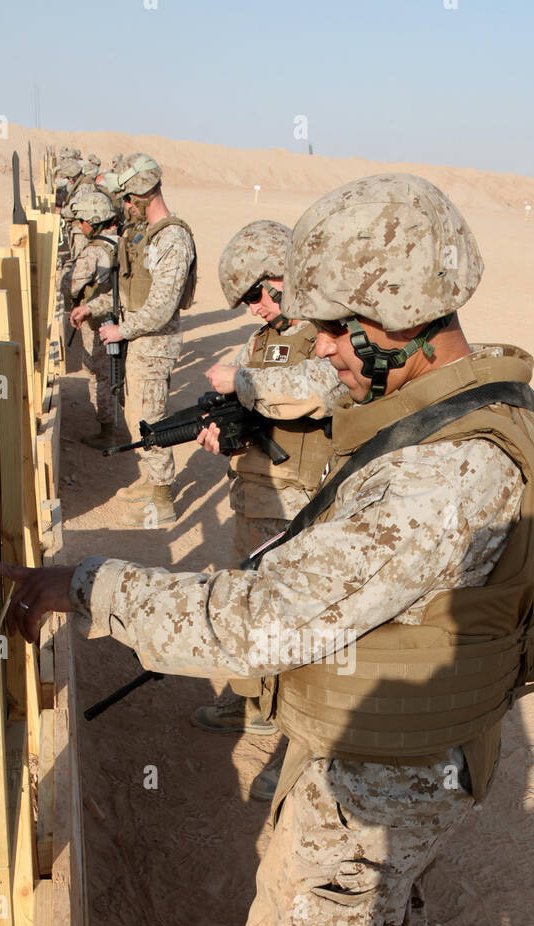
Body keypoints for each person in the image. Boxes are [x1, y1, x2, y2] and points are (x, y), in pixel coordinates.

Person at [2, 173, 534, 926]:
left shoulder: (439, 475)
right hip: (440, 744)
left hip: (384, 759)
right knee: (386, 906)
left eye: (337, 337)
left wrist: (85, 587)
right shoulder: (480, 403)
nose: (324, 356)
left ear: (391, 324)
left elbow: (256, 619)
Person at [189, 219, 349, 801]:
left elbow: (320, 387)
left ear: (284, 274)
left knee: (297, 622)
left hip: (304, 503)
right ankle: (254, 702)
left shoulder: (332, 332)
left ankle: (294, 750)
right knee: (251, 604)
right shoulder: (266, 339)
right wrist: (226, 433)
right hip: (259, 497)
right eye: (247, 301)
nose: (255, 309)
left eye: (258, 293)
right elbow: (262, 413)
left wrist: (244, 381)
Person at [70, 153, 196, 526]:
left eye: (128, 198)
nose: (124, 206)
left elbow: (160, 308)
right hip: (139, 341)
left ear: (143, 193)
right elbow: (126, 296)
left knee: (150, 420)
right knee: (136, 414)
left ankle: (162, 500)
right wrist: (92, 309)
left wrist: (119, 331)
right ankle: (148, 479)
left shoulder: (173, 240)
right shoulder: (143, 235)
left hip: (154, 344)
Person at [63, 186, 121, 450]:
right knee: (115, 371)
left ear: (94, 222)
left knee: (99, 374)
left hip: (98, 321)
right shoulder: (122, 243)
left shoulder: (93, 251)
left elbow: (72, 285)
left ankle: (107, 431)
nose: (81, 227)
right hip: (122, 318)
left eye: (83, 222)